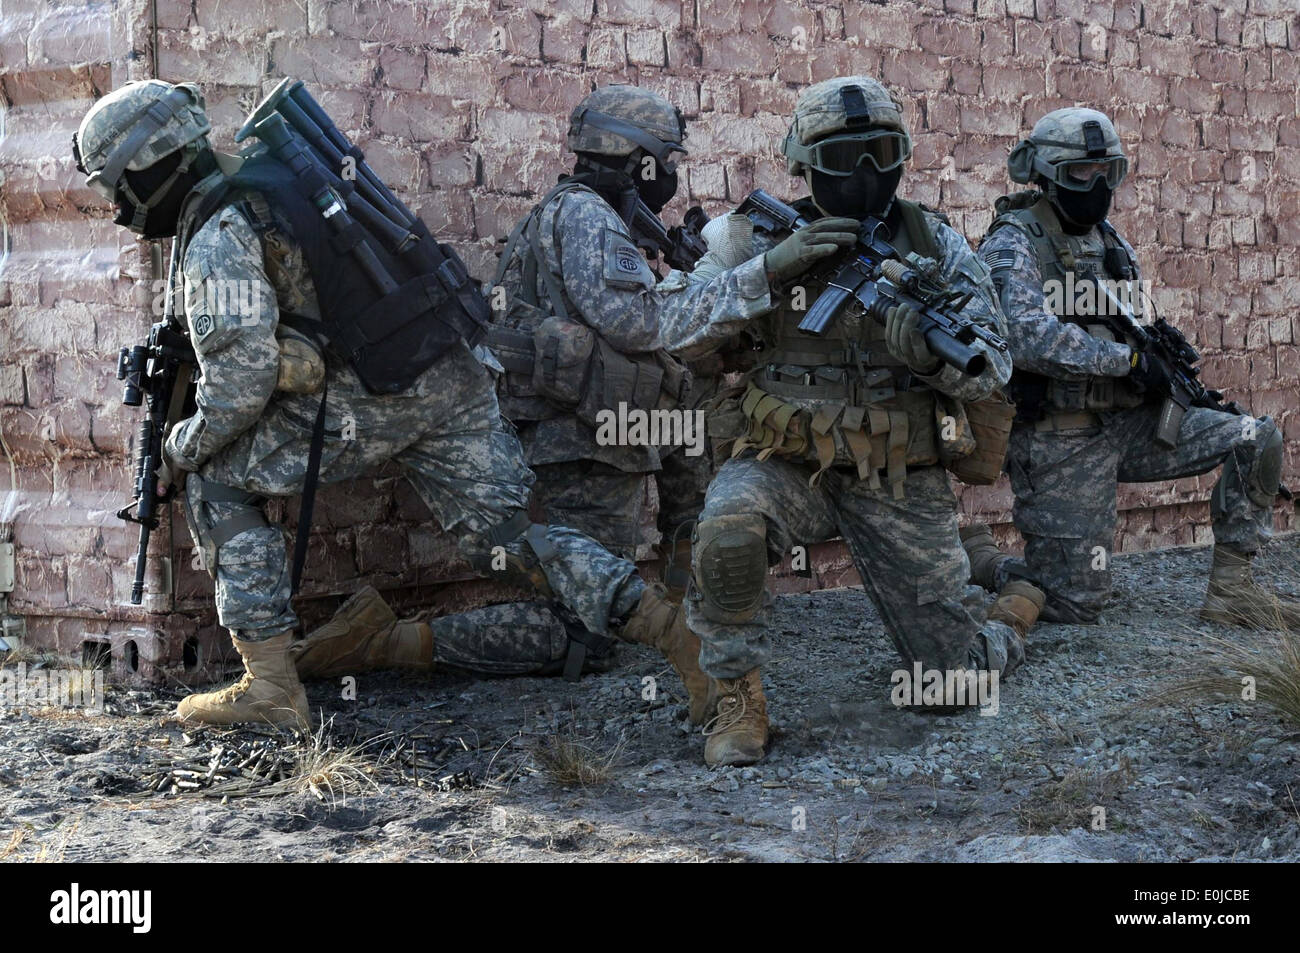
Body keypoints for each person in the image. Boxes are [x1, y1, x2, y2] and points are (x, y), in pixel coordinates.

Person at [73, 80, 702, 730]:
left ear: (157, 165)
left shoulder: (215, 236)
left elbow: (240, 385)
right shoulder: (274, 185)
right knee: (514, 537)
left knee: (216, 480)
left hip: (372, 392)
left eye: (119, 187)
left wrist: (179, 449)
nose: (119, 210)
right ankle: (669, 628)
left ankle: (270, 684)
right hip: (447, 365)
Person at [667, 76, 1044, 766]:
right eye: (844, 158)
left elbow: (992, 363)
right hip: (783, 458)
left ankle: (1010, 608)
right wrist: (768, 273)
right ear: (803, 162)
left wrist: (931, 362)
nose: (867, 174)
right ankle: (735, 697)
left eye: (882, 153)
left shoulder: (935, 243)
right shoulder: (746, 234)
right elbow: (668, 329)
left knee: (950, 686)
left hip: (896, 467)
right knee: (727, 530)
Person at [968, 107, 1299, 629]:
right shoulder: (1012, 241)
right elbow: (1023, 338)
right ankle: (986, 564)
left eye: (1110, 173)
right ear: (1048, 172)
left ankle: (1233, 593)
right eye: (1083, 173)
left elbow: (1133, 322)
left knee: (1253, 437)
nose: (1099, 185)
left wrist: (1160, 365)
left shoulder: (1109, 241)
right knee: (1075, 604)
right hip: (1060, 439)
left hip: (1128, 424)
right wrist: (1130, 361)